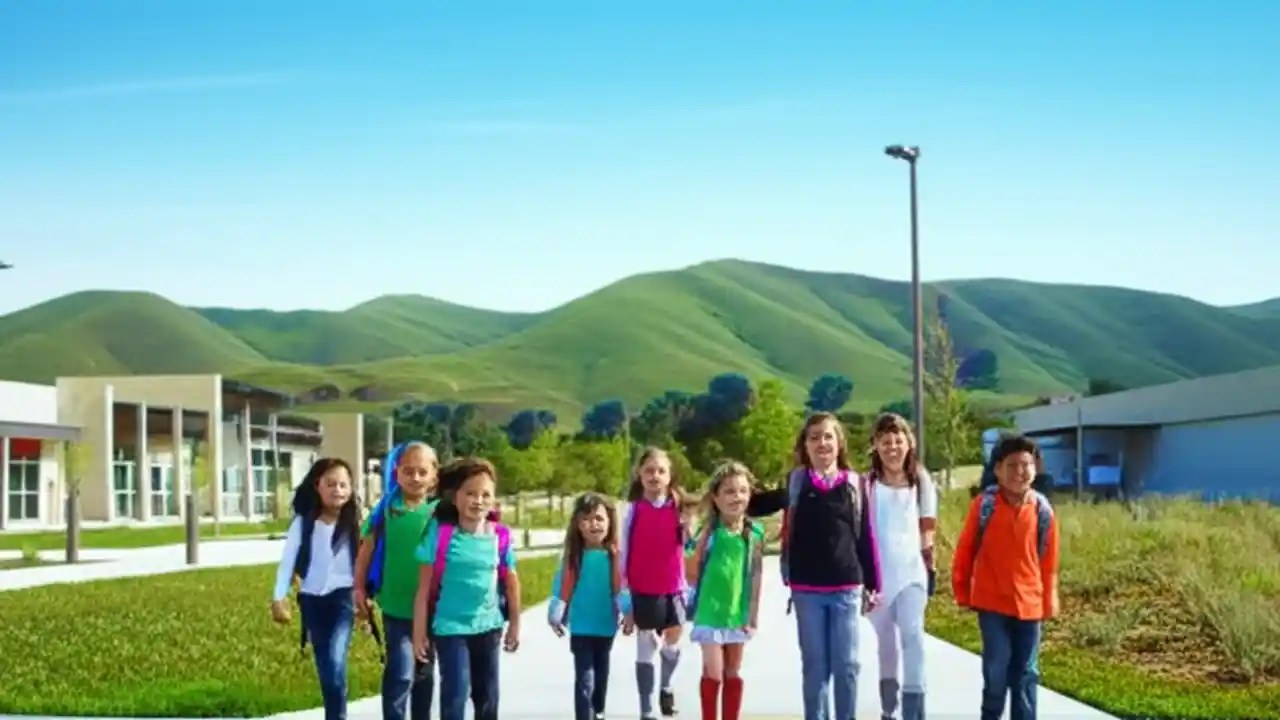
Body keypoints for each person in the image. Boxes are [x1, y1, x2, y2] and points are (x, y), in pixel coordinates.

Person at [779, 411, 882, 720]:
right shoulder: (796, 482)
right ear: (805, 446)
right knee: (815, 665)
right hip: (806, 588)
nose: (822, 443)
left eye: (828, 436)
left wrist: (873, 583)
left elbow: (866, 535)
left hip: (846, 587)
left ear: (839, 443)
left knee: (847, 664)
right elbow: (755, 502)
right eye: (814, 437)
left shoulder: (855, 483)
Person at [951, 434, 1060, 720]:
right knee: (996, 671)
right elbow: (965, 551)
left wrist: (1049, 601)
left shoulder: (1042, 510)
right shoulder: (984, 506)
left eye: (1026, 465)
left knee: (1026, 673)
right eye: (1011, 465)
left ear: (1036, 469)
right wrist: (962, 592)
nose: (1020, 472)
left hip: (1030, 605)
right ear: (997, 469)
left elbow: (1048, 562)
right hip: (992, 603)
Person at [411, 456, 521, 720]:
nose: (478, 500)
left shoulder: (500, 536)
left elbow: (511, 582)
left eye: (486, 494)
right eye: (470, 493)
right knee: (455, 695)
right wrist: (418, 632)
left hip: (489, 627)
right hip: (450, 628)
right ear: (455, 496)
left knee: (487, 697)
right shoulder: (440, 533)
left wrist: (515, 624)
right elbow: (424, 588)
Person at [353, 442, 439, 720]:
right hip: (395, 606)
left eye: (422, 472)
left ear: (434, 476)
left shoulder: (441, 511)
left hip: (431, 608)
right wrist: (358, 587)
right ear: (397, 472)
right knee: (401, 672)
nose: (415, 478)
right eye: (408, 471)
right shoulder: (386, 510)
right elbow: (365, 550)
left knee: (423, 672)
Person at [271, 457, 362, 720]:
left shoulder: (357, 520)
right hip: (311, 599)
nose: (338, 490)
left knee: (335, 660)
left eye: (344, 484)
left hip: (343, 599)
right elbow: (287, 562)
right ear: (317, 486)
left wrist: (366, 596)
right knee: (325, 666)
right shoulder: (303, 523)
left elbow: (370, 558)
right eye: (331, 484)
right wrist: (278, 597)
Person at [863, 413, 936, 720]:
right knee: (887, 645)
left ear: (909, 443)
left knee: (913, 636)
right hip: (877, 579)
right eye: (885, 441)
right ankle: (888, 709)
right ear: (876, 446)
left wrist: (930, 567)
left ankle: (914, 709)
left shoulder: (920, 480)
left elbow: (928, 527)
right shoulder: (866, 484)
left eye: (898, 440)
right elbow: (860, 531)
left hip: (911, 574)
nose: (892, 446)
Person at [686, 461, 765, 720]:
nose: (737, 497)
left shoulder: (754, 534)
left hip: (737, 614)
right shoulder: (708, 533)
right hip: (710, 614)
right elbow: (690, 567)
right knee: (714, 672)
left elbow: (755, 577)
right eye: (729, 491)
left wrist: (751, 615)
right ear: (716, 498)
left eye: (742, 491)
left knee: (733, 673)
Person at [619, 446, 689, 719]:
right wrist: (625, 595)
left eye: (661, 471)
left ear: (670, 476)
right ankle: (646, 708)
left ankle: (666, 686)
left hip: (674, 587)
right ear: (639, 474)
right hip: (643, 589)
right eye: (649, 470)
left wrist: (687, 529)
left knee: (673, 640)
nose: (654, 476)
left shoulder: (679, 509)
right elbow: (623, 552)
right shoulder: (632, 511)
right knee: (646, 644)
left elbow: (688, 545)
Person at [547, 493, 627, 720]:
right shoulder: (573, 557)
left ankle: (598, 711)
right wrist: (557, 610)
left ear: (609, 522)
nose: (594, 524)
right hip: (581, 625)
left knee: (600, 675)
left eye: (599, 519)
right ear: (578, 525)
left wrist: (628, 612)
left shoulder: (614, 556)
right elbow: (562, 586)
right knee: (585, 677)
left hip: (606, 625)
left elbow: (619, 588)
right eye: (587, 519)